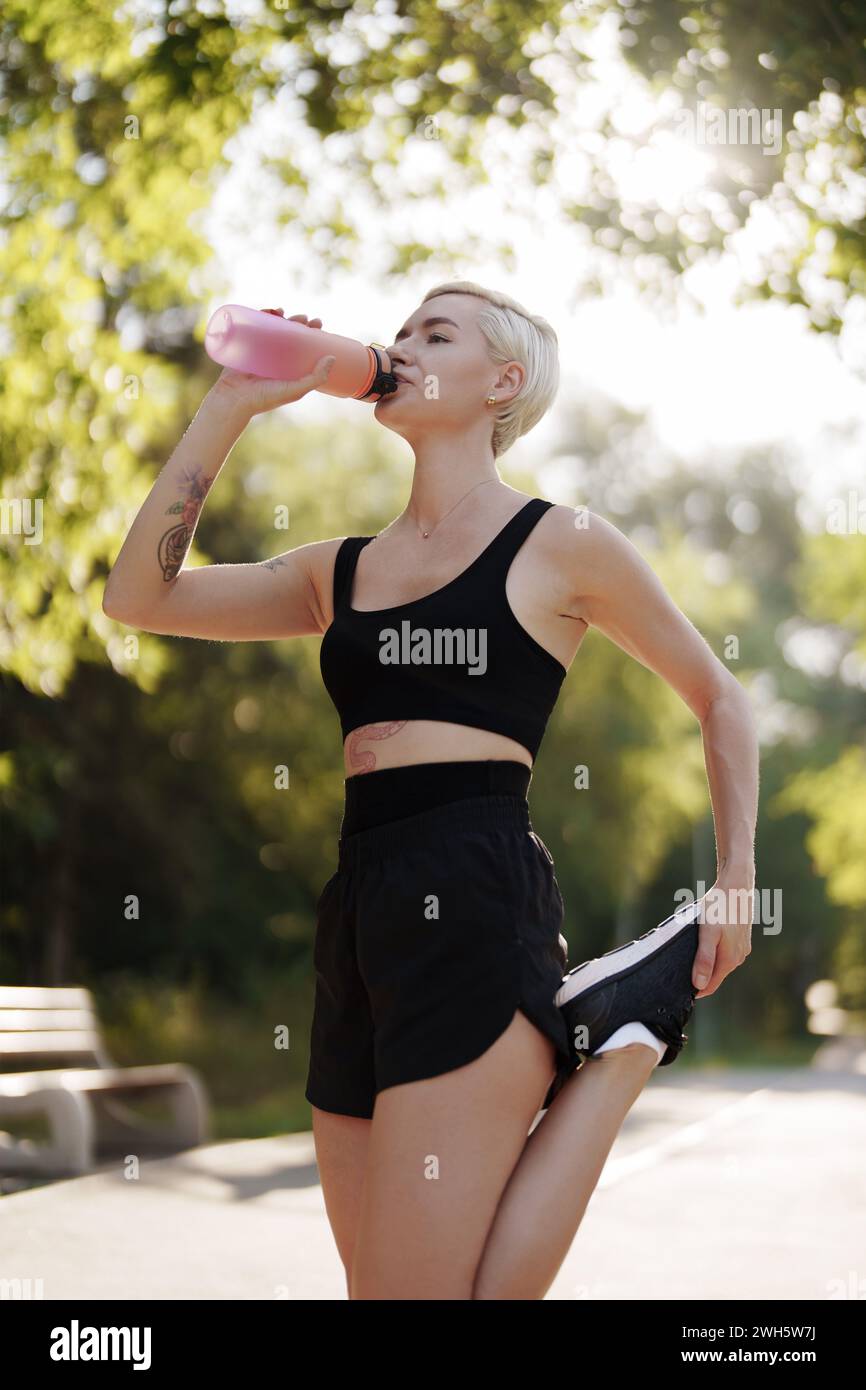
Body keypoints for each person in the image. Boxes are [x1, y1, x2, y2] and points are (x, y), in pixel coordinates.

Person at [103, 280, 758, 1300]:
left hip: (474, 887)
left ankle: (626, 1044)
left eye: (433, 332)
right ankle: (621, 1028)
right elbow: (142, 596)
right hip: (356, 904)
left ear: (503, 382)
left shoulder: (561, 541)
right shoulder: (339, 570)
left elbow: (719, 699)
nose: (401, 345)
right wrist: (228, 404)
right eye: (401, 328)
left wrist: (733, 877)